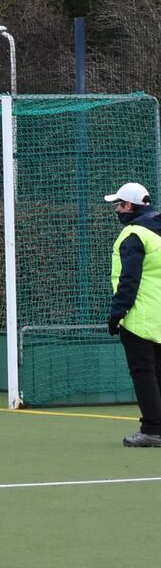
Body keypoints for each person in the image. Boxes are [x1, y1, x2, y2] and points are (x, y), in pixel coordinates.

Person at [105, 182, 161, 447]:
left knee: (143, 373)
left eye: (119, 205)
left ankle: (152, 429)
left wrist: (117, 313)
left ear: (129, 206)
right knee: (158, 373)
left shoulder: (133, 234)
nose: (116, 210)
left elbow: (129, 279)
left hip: (140, 318)